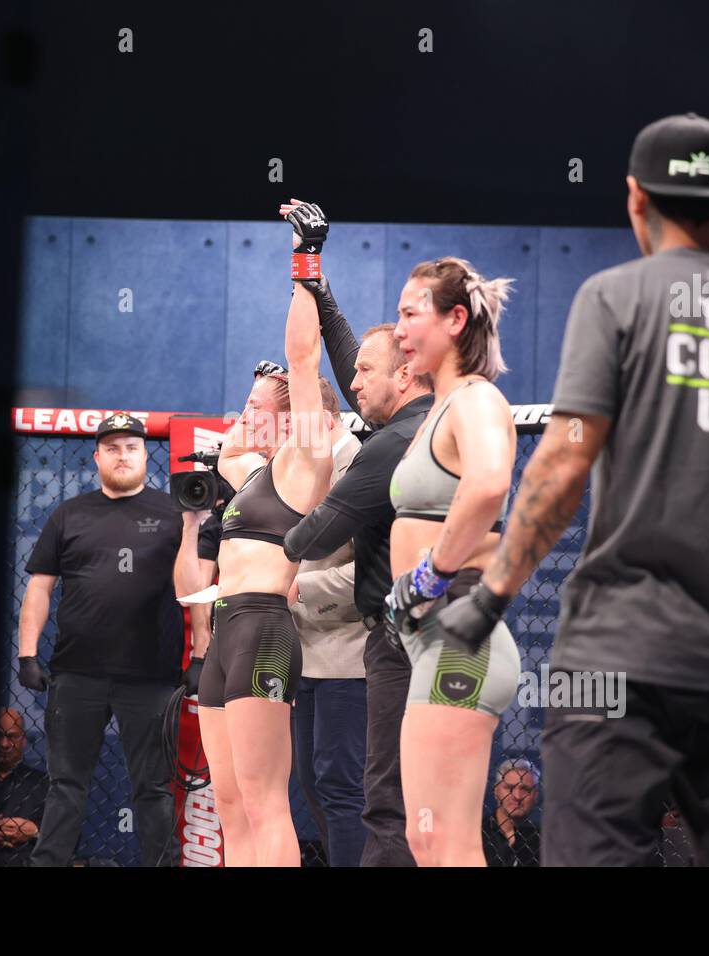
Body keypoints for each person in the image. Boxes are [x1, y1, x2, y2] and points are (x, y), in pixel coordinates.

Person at [438, 113, 709, 866]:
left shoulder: (615, 298)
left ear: (634, 198)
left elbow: (561, 465)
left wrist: (490, 595)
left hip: (607, 662)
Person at [180, 202, 337, 866]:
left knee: (267, 800)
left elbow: (303, 357)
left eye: (254, 409)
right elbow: (235, 443)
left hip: (264, 627)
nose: (239, 419)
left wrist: (306, 261)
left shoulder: (304, 464)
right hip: (224, 630)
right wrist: (254, 397)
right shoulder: (250, 473)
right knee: (231, 799)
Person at [282, 202, 435, 867]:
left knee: (383, 800)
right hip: (432, 633)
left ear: (405, 375)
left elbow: (313, 536)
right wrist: (311, 264)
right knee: (413, 801)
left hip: (404, 640)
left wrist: (263, 532)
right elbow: (349, 348)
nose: (352, 384)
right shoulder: (423, 417)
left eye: (367, 376)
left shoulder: (387, 447)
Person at [385, 255, 522, 867]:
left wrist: (429, 573)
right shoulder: (438, 408)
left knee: (448, 842)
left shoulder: (475, 399)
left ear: (455, 319)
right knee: (427, 837)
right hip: (432, 639)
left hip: (461, 631)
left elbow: (491, 484)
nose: (398, 331)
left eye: (410, 315)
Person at [17, 413, 186, 867]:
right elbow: (39, 588)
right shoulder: (69, 514)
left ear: (145, 454)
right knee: (66, 784)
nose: (122, 454)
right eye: (112, 447)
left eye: (131, 446)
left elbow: (199, 584)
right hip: (77, 674)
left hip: (151, 676)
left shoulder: (174, 515)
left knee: (153, 789)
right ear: (97, 456)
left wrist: (204, 648)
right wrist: (27, 653)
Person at [286, 411, 367, 867]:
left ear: (326, 418)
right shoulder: (293, 466)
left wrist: (302, 590)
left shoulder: (359, 467)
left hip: (346, 655)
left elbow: (376, 572)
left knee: (341, 787)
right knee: (315, 785)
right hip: (303, 655)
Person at [0, 708, 48, 866]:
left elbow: (71, 839)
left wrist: (35, 832)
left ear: (23, 740)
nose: (4, 744)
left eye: (12, 736)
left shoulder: (45, 785)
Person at [482, 758, 541, 867]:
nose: (517, 796)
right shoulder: (478, 834)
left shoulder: (543, 841)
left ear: (535, 796)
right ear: (496, 791)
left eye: (525, 789)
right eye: (509, 788)